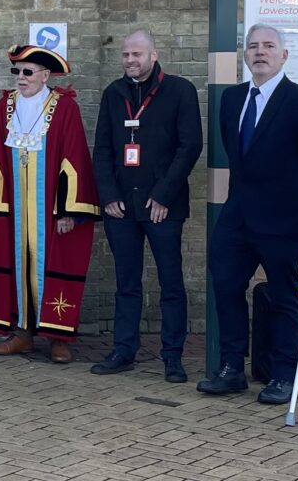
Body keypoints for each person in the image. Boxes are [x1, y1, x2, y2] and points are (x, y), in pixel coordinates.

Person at [198, 24, 298, 403]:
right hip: (238, 214)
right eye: (253, 46)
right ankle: (231, 369)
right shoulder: (232, 99)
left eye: (269, 46)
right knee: (225, 285)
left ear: (284, 55)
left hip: (282, 215)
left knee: (285, 294)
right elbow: (236, 153)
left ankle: (284, 375)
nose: (260, 52)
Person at [88, 29, 203, 382]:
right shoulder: (113, 94)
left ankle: (173, 355)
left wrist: (164, 195)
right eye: (125, 55)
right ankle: (124, 350)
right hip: (121, 207)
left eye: (137, 55)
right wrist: (107, 196)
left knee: (170, 282)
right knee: (127, 283)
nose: (130, 61)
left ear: (153, 55)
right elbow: (103, 149)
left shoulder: (180, 91)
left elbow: (190, 147)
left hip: (162, 207)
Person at [0, 44, 98, 364]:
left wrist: (68, 210)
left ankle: (58, 338)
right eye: (16, 71)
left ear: (45, 75)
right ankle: (22, 334)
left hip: (50, 211)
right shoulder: (5, 105)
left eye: (27, 72)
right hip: (15, 209)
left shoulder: (63, 108)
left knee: (54, 265)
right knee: (18, 267)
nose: (20, 77)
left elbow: (74, 160)